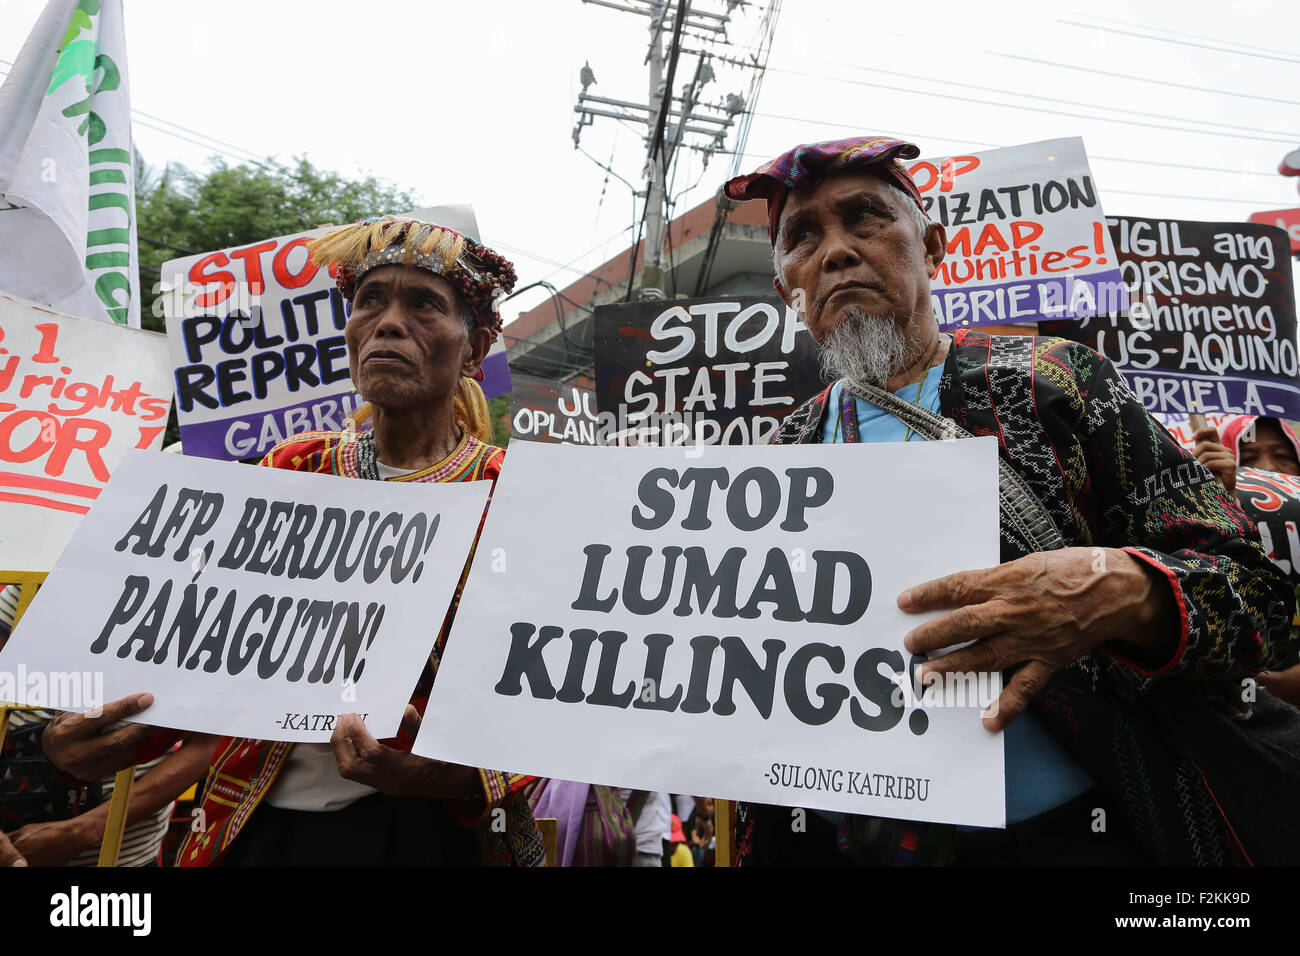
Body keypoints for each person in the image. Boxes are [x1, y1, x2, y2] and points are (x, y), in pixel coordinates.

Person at [721, 135, 1298, 866]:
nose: (836, 252)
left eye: (865, 219)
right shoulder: (777, 461)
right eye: (803, 237)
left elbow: (1262, 600)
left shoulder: (1056, 382)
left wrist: (1123, 593)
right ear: (788, 290)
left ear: (932, 248)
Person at [44, 218, 544, 867]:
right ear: (350, 332)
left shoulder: (516, 498)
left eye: (422, 303)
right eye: (371, 301)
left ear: (475, 348)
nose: (388, 323)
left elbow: (547, 706)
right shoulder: (292, 468)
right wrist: (92, 732)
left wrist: (442, 775)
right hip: (250, 826)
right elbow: (210, 651)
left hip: (426, 836)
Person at [1193, 414, 1300, 706]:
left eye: (1282, 455)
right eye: (1249, 458)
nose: (1268, 468)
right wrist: (1213, 500)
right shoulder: (1204, 524)